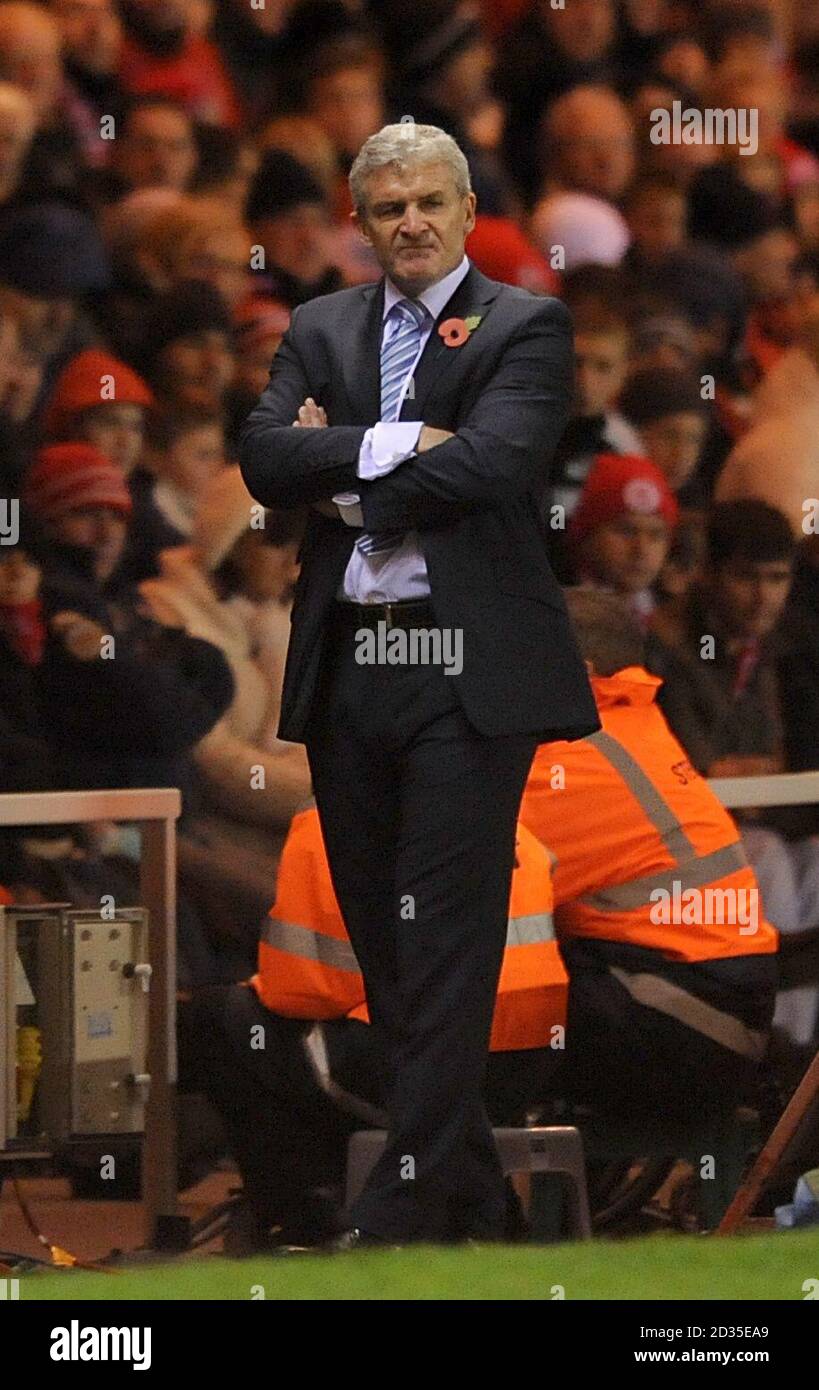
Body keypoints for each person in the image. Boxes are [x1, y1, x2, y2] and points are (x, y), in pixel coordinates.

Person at [239, 121, 597, 1246]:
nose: (411, 223)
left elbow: (496, 463)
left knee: (442, 932)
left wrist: (337, 463)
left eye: (430, 202)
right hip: (350, 658)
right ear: (359, 219)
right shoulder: (316, 324)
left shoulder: (524, 322)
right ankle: (474, 1199)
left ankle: (397, 1201)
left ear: (468, 206)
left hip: (463, 662)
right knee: (387, 942)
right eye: (388, 206)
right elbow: (261, 458)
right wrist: (397, 449)